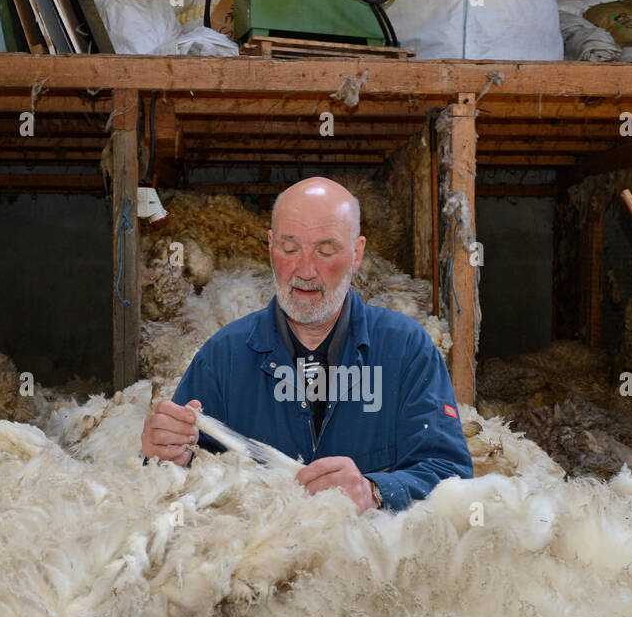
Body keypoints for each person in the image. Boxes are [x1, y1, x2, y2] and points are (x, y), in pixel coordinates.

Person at [140, 176, 473, 512]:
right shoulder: (223, 356)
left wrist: (374, 491)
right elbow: (168, 488)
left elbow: (451, 474)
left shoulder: (407, 350)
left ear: (357, 254)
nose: (305, 270)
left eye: (325, 251)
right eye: (289, 249)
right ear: (270, 248)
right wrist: (165, 456)